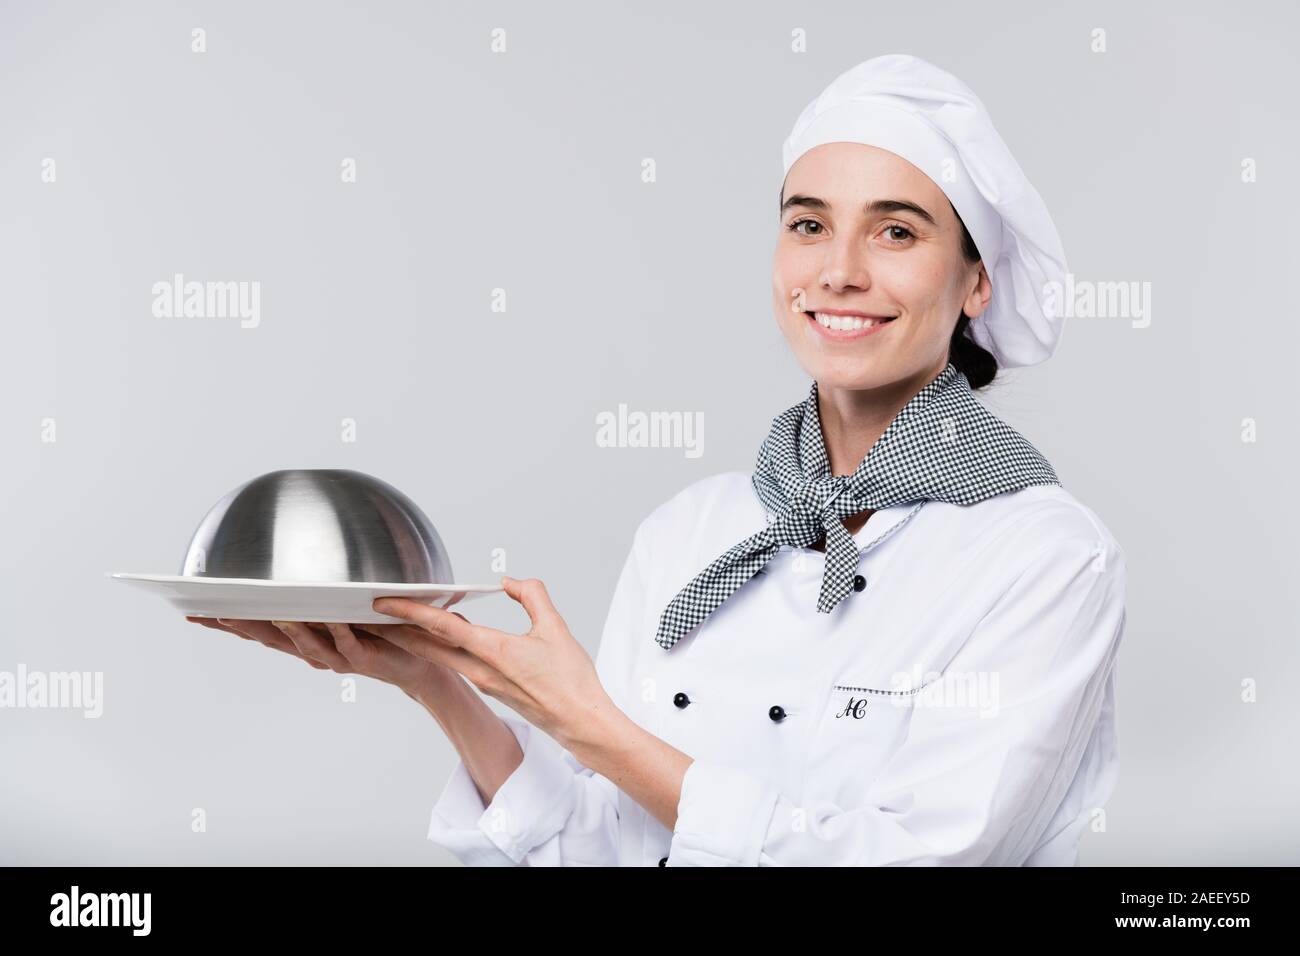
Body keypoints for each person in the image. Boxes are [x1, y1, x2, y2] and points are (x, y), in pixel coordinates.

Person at [192, 54, 1126, 866]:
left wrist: (585, 724)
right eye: (808, 224)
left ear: (975, 281)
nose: (838, 270)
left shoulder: (1043, 557)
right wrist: (435, 680)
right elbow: (608, 846)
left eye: (896, 230)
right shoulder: (694, 532)